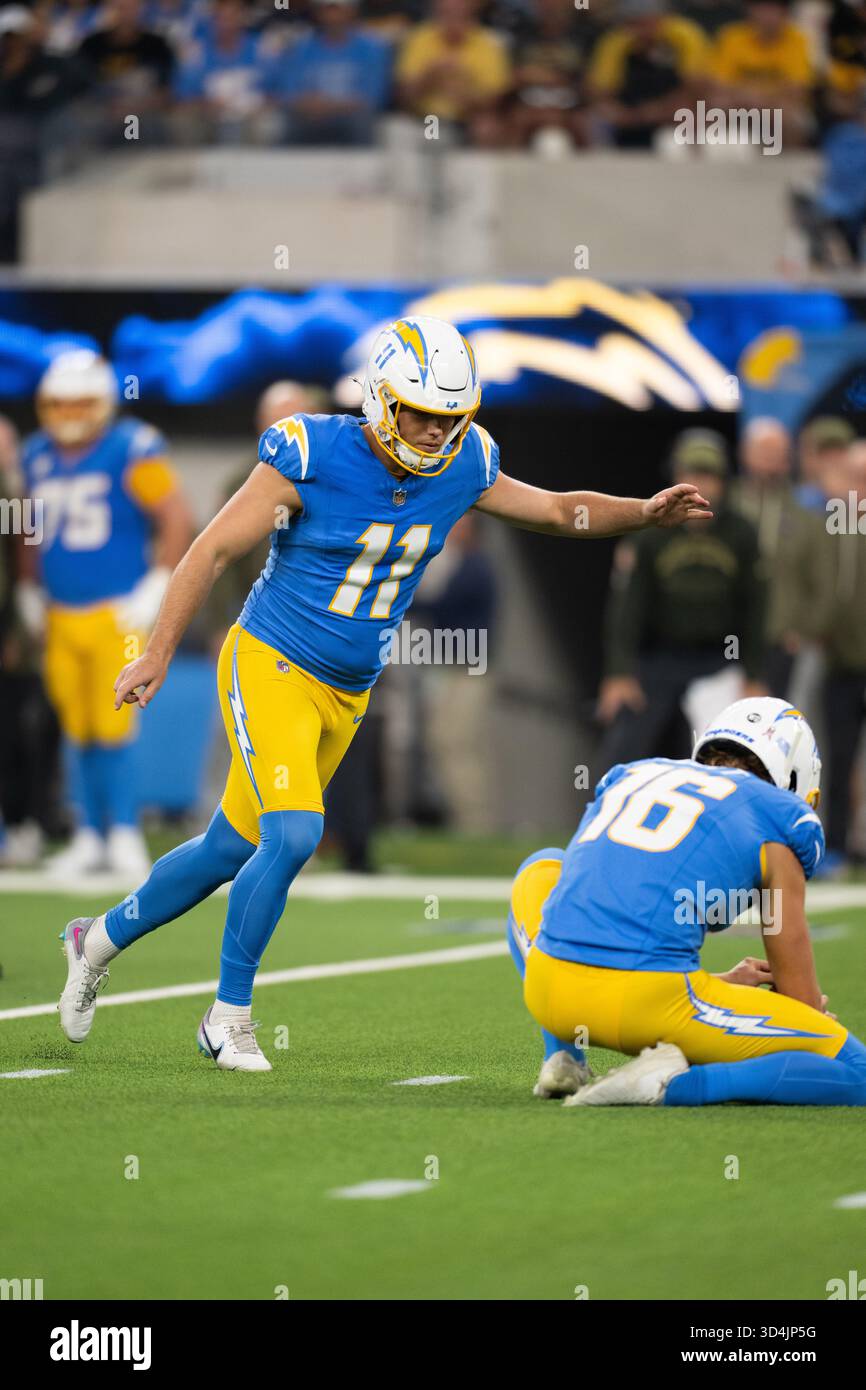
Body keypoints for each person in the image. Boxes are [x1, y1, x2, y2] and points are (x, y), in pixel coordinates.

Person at [56, 314, 711, 1072]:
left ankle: (93, 941)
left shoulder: (467, 463)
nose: (435, 434)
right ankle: (227, 1016)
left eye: (449, 419)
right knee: (295, 835)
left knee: (227, 848)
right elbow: (214, 548)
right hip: (271, 660)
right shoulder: (311, 450)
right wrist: (159, 652)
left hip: (347, 690)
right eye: (422, 414)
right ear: (381, 399)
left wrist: (643, 512)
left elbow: (562, 510)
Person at [508, 696, 866, 1107]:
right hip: (647, 1006)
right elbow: (800, 998)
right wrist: (803, 1018)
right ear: (795, 778)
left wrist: (717, 987)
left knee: (543, 865)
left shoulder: (633, 773)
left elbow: (600, 897)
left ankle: (564, 1056)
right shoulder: (779, 814)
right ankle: (672, 1083)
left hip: (548, 989)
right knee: (857, 1071)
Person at [21, 349, 193, 876]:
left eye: (81, 404)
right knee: (77, 728)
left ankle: (122, 830)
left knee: (113, 726)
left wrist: (159, 582)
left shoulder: (132, 448)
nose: (70, 415)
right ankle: (90, 834)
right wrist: (28, 587)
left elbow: (175, 517)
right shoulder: (34, 455)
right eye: (60, 404)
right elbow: (28, 530)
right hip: (60, 613)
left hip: (117, 611)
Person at [597, 428, 767, 767]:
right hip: (659, 658)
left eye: (708, 475)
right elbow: (627, 607)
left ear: (724, 480)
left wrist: (754, 674)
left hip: (718, 661)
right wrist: (618, 672)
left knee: (725, 755)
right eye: (691, 473)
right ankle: (609, 815)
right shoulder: (650, 533)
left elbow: (755, 608)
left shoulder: (741, 533)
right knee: (625, 751)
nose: (699, 484)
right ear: (676, 476)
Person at [728, 417, 829, 698]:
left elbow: (820, 581)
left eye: (778, 453)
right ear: (745, 453)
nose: (771, 461)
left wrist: (802, 629)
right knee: (723, 719)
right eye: (764, 451)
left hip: (780, 640)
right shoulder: (725, 507)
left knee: (774, 720)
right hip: (729, 635)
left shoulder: (805, 516)